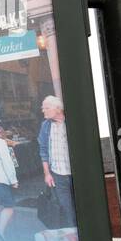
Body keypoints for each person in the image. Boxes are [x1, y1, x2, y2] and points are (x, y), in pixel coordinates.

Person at [38, 96, 76, 227]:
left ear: (58, 109)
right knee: (67, 209)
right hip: (58, 175)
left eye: (46, 108)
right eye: (43, 108)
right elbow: (43, 150)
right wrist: (47, 174)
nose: (43, 110)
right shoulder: (45, 126)